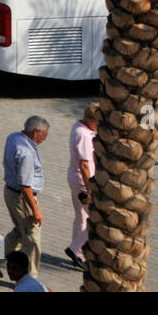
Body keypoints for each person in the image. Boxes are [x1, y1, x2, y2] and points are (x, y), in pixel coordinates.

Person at [0, 115, 49, 280]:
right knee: (32, 240)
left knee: (19, 231)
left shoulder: (14, 137)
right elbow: (25, 186)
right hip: (22, 199)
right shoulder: (26, 153)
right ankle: (30, 280)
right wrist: (36, 210)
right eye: (44, 135)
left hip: (10, 192)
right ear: (35, 132)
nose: (45, 139)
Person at [66, 104, 100, 271]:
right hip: (82, 181)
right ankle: (75, 249)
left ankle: (77, 254)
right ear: (91, 120)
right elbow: (85, 165)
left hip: (74, 177)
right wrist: (90, 190)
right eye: (98, 123)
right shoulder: (85, 135)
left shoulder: (77, 126)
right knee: (97, 218)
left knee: (80, 216)